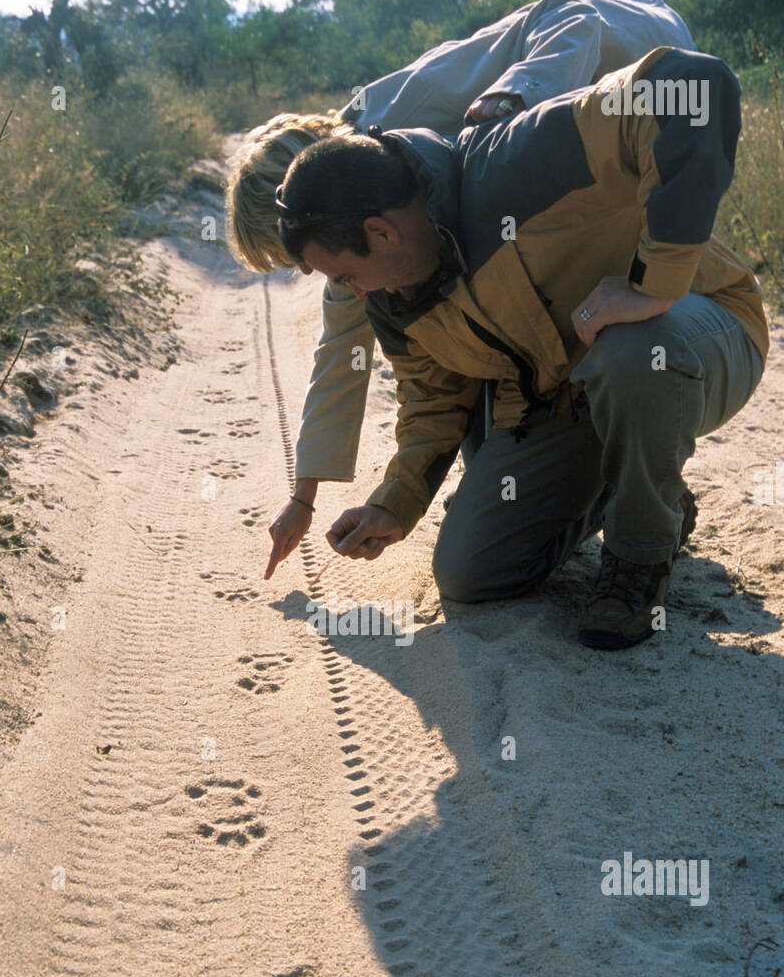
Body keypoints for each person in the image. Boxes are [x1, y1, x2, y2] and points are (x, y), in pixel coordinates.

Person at [276, 45, 768, 650]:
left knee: (633, 352)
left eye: (345, 275)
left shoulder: (520, 160)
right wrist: (394, 505)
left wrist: (653, 284)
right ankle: (634, 487)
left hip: (705, 332)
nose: (351, 293)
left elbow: (692, 84)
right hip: (576, 398)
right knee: (469, 571)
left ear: (381, 231)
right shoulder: (392, 292)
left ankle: (640, 554)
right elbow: (433, 403)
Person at [224, 0, 697, 579]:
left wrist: (522, 97)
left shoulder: (404, 112)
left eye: (291, 251)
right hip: (599, 184)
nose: (302, 269)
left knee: (631, 325)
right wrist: (305, 498)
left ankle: (641, 490)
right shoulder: (346, 229)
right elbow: (340, 355)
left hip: (651, 64)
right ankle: (585, 479)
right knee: (488, 397)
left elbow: (571, 16)